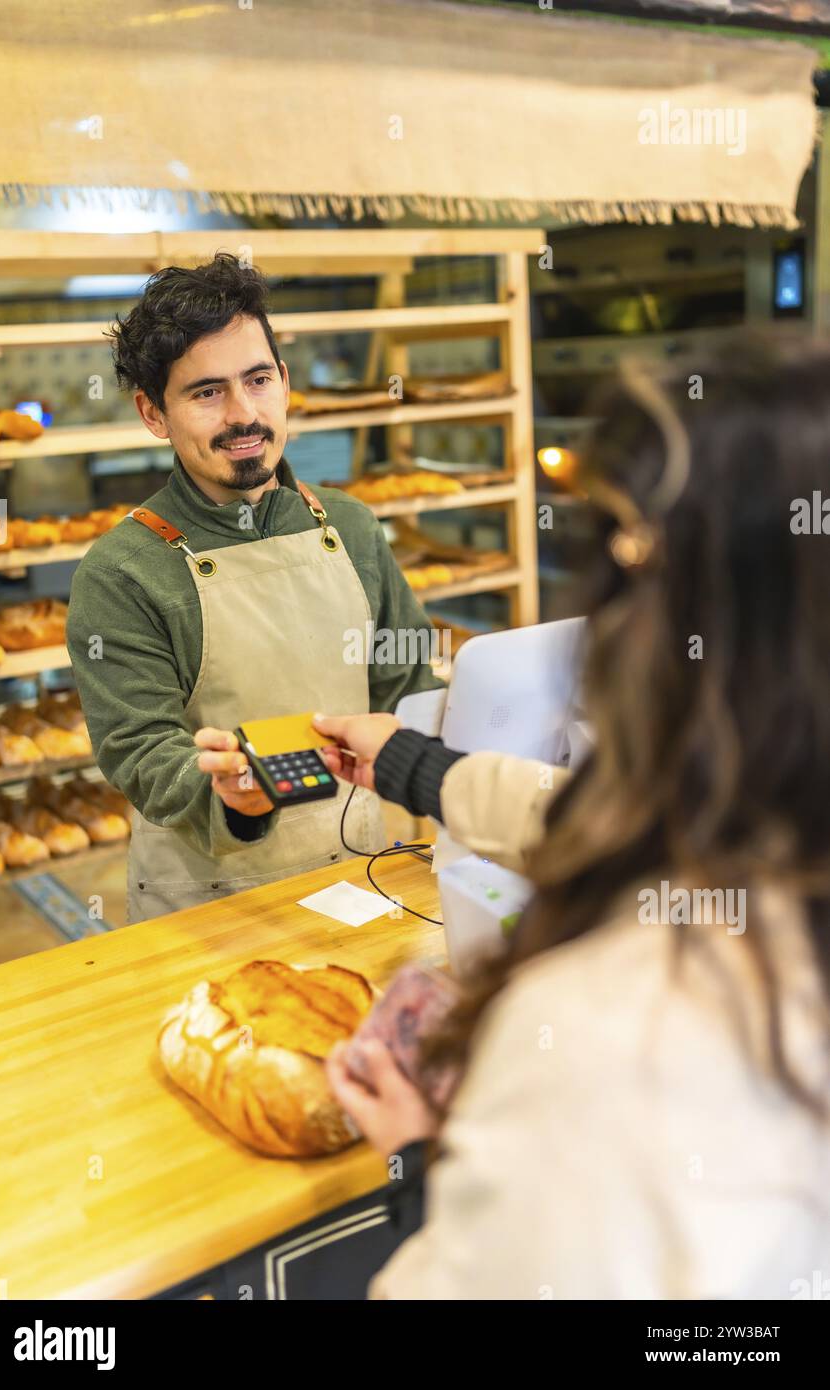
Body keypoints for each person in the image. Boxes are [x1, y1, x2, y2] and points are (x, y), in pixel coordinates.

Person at [315, 336, 830, 1299]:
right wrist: (413, 764)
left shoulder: (608, 1035)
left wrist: (426, 1169)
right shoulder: (780, 858)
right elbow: (596, 820)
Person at [67, 254, 444, 924]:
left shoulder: (351, 527)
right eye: (207, 392)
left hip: (359, 874)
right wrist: (230, 796)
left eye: (258, 379)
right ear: (154, 414)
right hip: (206, 903)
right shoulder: (121, 572)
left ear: (285, 381)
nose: (245, 415)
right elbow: (142, 751)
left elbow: (407, 686)